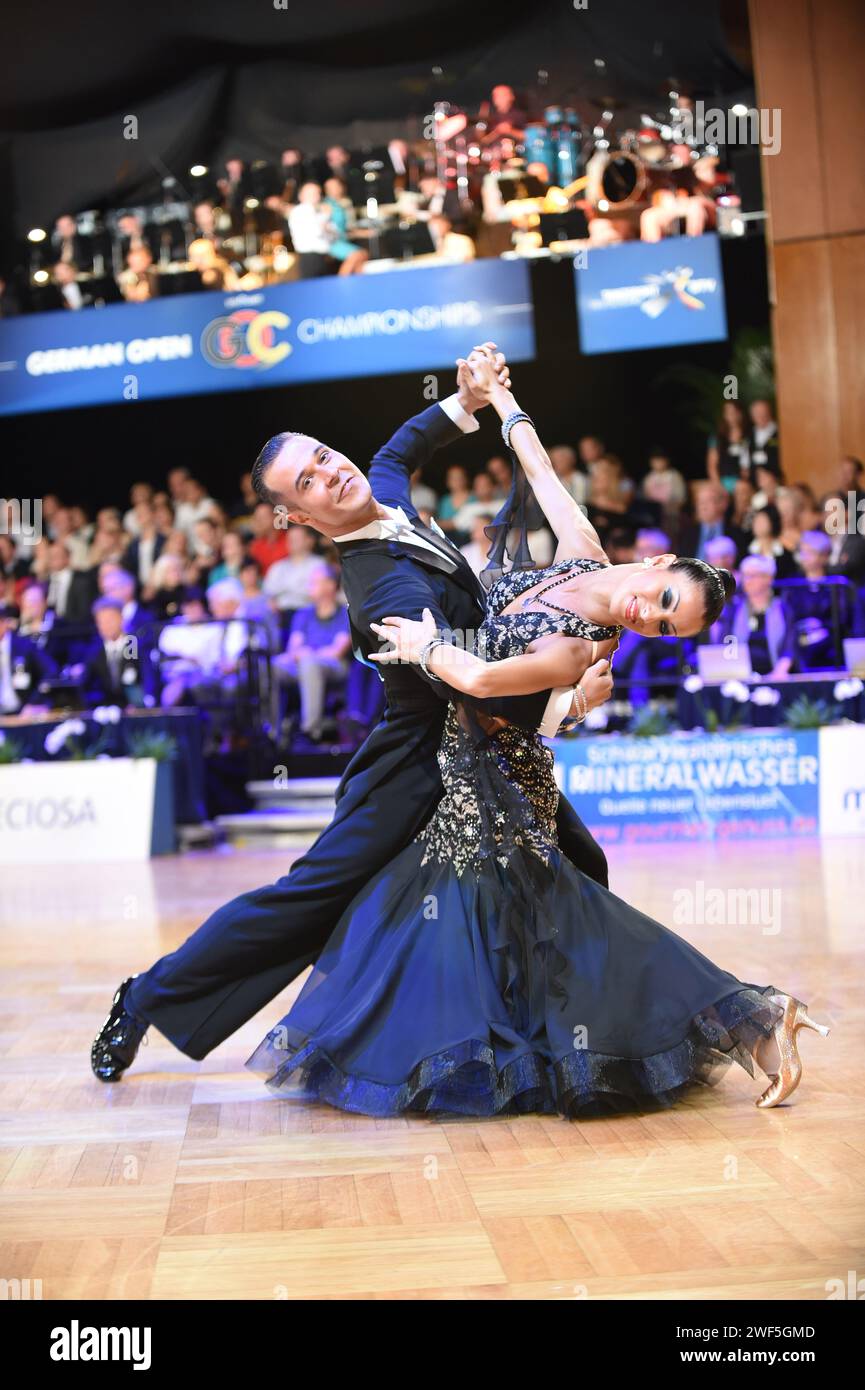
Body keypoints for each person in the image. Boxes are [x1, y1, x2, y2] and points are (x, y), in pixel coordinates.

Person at [244, 346, 827, 1119]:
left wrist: (428, 649)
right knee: (497, 916)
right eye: (660, 599)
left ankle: (750, 1019)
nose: (648, 618)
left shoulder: (583, 642)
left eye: (665, 627)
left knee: (549, 915)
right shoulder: (579, 550)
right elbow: (542, 474)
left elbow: (484, 683)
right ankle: (713, 1025)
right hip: (464, 765)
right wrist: (498, 399)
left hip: (498, 777)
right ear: (653, 560)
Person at [91, 344, 615, 1082]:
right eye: (309, 480)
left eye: (325, 454)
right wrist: (567, 701)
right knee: (307, 902)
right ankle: (146, 996)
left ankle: (568, 1018)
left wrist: (466, 398)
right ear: (294, 516)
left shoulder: (383, 492)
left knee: (578, 862)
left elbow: (401, 446)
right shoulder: (384, 594)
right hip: (419, 762)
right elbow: (468, 683)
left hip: (485, 741)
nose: (334, 471)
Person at [273, 562, 352, 741]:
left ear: (330, 585)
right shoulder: (303, 614)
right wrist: (305, 655)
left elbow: (337, 651)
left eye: (314, 582)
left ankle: (310, 729)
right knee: (274, 665)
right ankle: (272, 730)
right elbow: (293, 649)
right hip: (303, 663)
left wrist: (308, 654)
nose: (309, 587)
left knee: (309, 664)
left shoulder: (344, 613)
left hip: (335, 666)